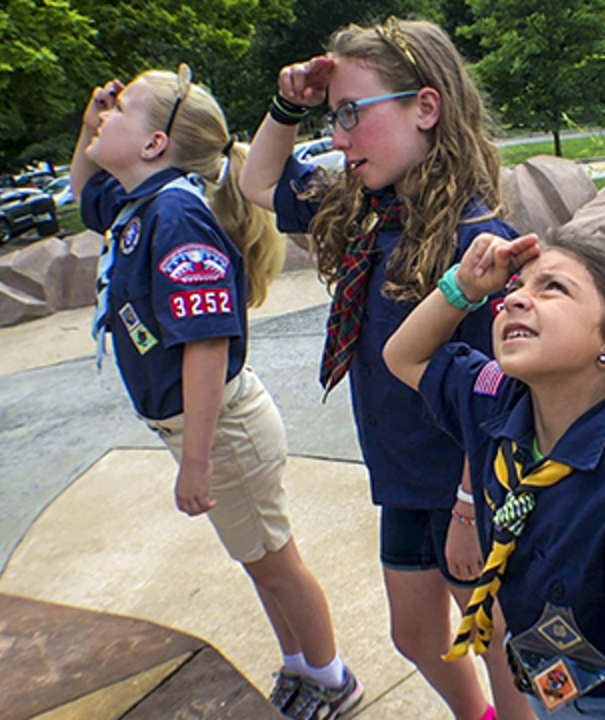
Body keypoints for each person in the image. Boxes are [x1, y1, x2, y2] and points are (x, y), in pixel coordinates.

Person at [239, 17, 530, 720]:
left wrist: (467, 509)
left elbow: (501, 393)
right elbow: (259, 181)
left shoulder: (476, 241)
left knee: (495, 645)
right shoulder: (369, 210)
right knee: (414, 633)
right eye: (332, 118)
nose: (336, 138)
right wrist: (288, 106)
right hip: (401, 471)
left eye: (350, 115)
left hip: (468, 487)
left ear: (425, 108)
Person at [70, 65, 362, 719]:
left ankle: (332, 678)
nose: (104, 116)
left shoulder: (174, 214)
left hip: (222, 429)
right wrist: (92, 128)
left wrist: (198, 460)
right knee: (259, 561)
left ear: (153, 145)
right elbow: (83, 190)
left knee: (278, 562)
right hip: (204, 429)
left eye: (119, 113)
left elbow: (204, 344)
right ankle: (300, 667)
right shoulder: (138, 201)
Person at [384, 227, 605, 720]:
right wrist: (465, 286)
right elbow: (403, 355)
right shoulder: (496, 405)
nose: (515, 301)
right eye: (514, 290)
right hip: (539, 679)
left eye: (552, 288)